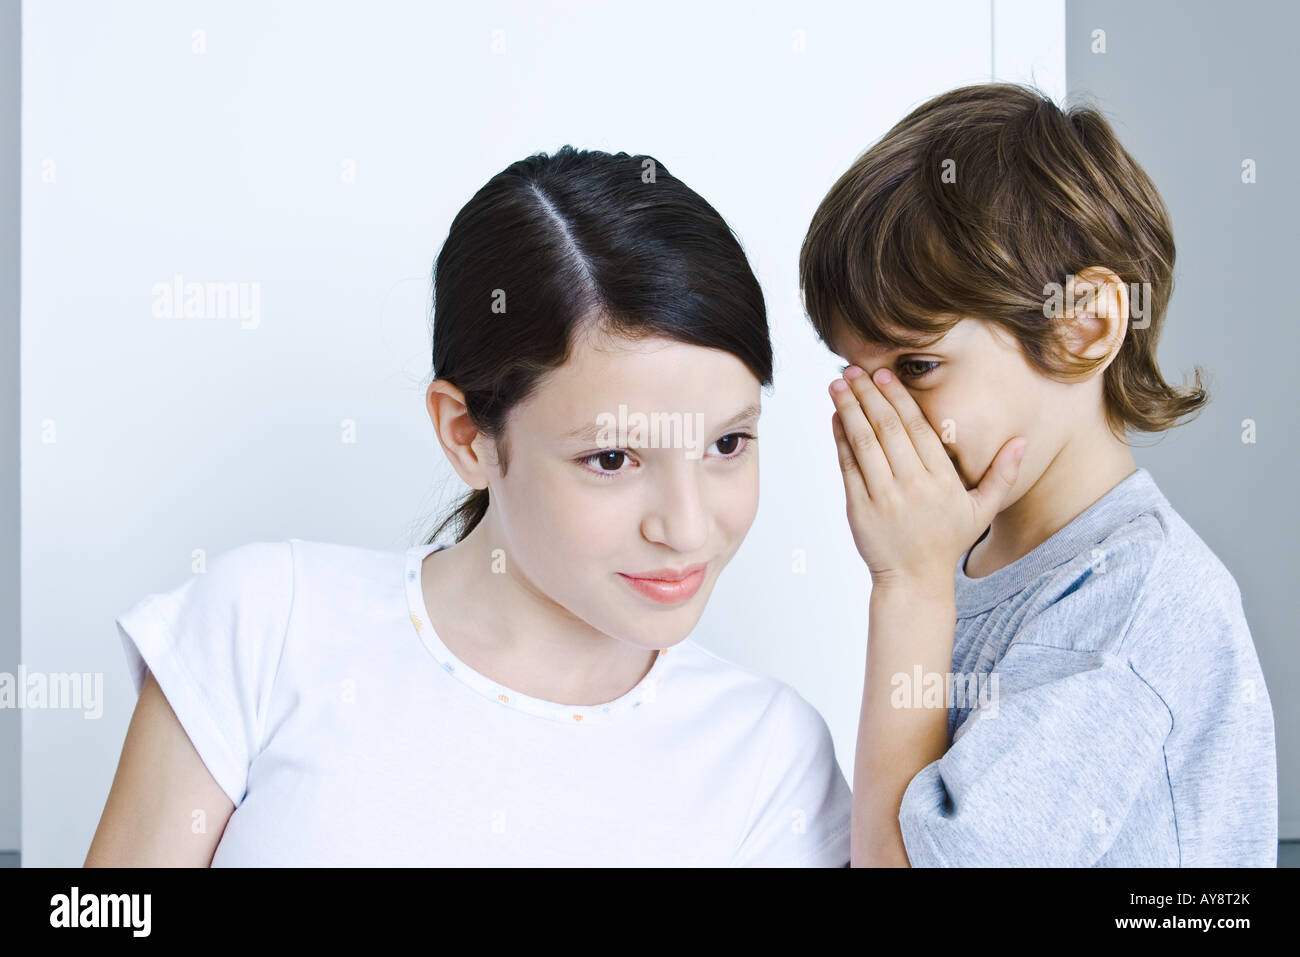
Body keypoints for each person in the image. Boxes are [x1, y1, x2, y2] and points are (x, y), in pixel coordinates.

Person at [86, 145, 851, 867]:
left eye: (727, 445)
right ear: (467, 435)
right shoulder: (265, 626)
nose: (685, 526)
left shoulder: (769, 756)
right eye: (612, 459)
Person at [799, 83, 1277, 866]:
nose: (879, 416)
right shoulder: (968, 552)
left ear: (1084, 325)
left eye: (917, 365)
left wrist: (911, 587)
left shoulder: (1130, 614)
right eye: (860, 374)